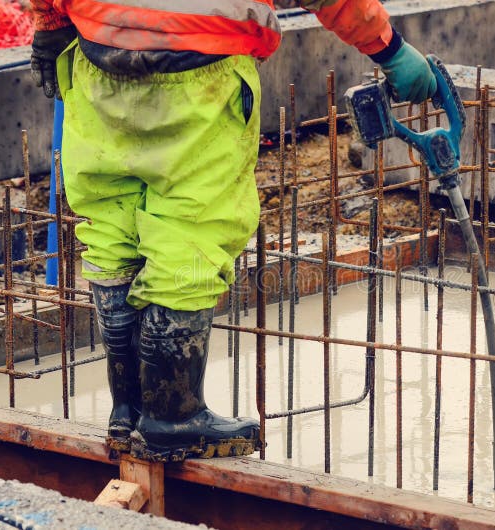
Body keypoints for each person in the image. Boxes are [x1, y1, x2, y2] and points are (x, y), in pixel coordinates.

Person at [29, 0, 437, 462]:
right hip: (201, 72)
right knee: (193, 230)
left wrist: (49, 23)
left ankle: (129, 411)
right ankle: (172, 417)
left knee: (112, 227)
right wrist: (389, 49)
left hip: (98, 61)